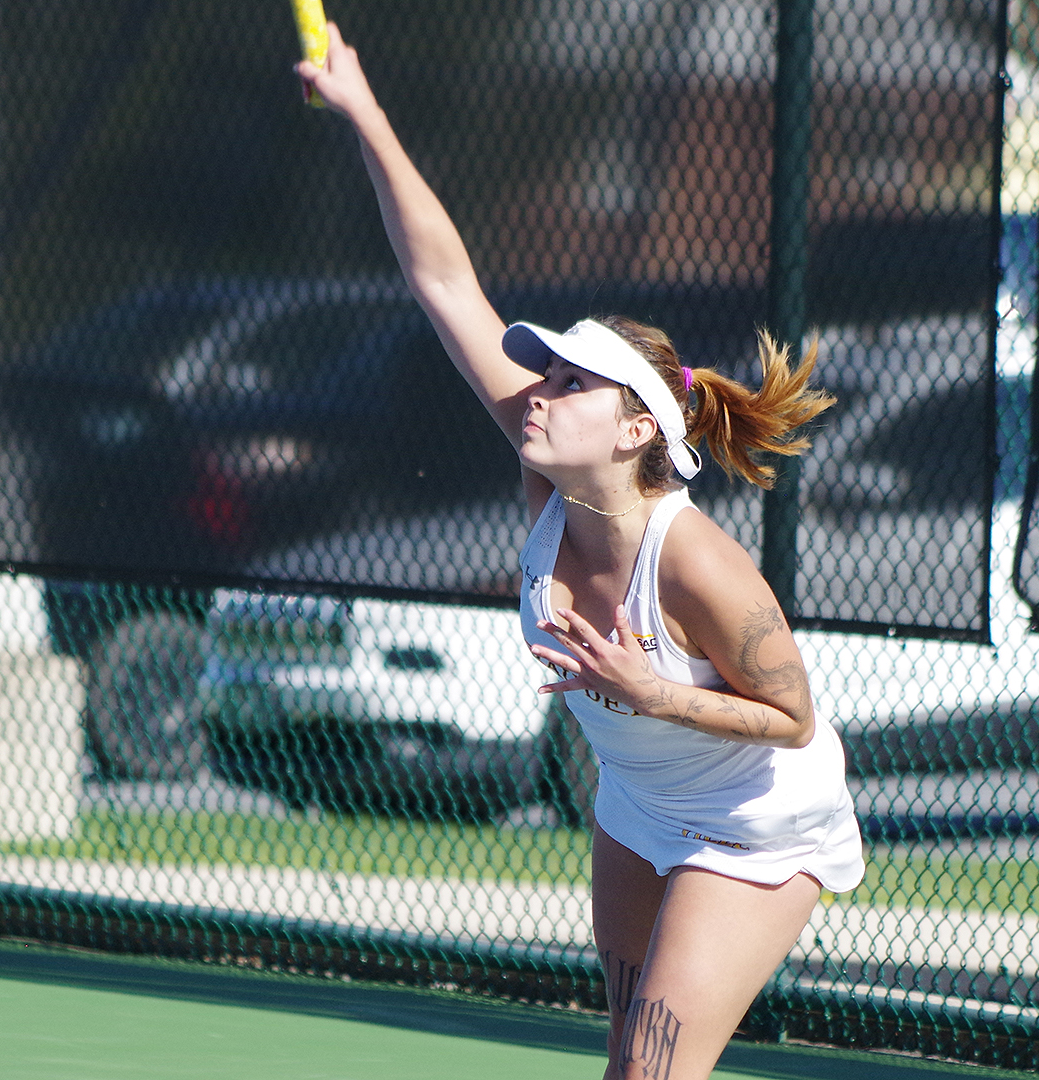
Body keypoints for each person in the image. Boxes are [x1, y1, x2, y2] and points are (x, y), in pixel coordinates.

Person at [298, 26, 864, 1080]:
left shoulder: (698, 566)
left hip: (755, 823)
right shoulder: (546, 471)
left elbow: (792, 719)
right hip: (638, 801)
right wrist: (365, 112)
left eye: (568, 383)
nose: (539, 392)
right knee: (623, 1064)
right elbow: (446, 285)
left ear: (637, 428)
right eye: (543, 375)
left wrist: (654, 694)